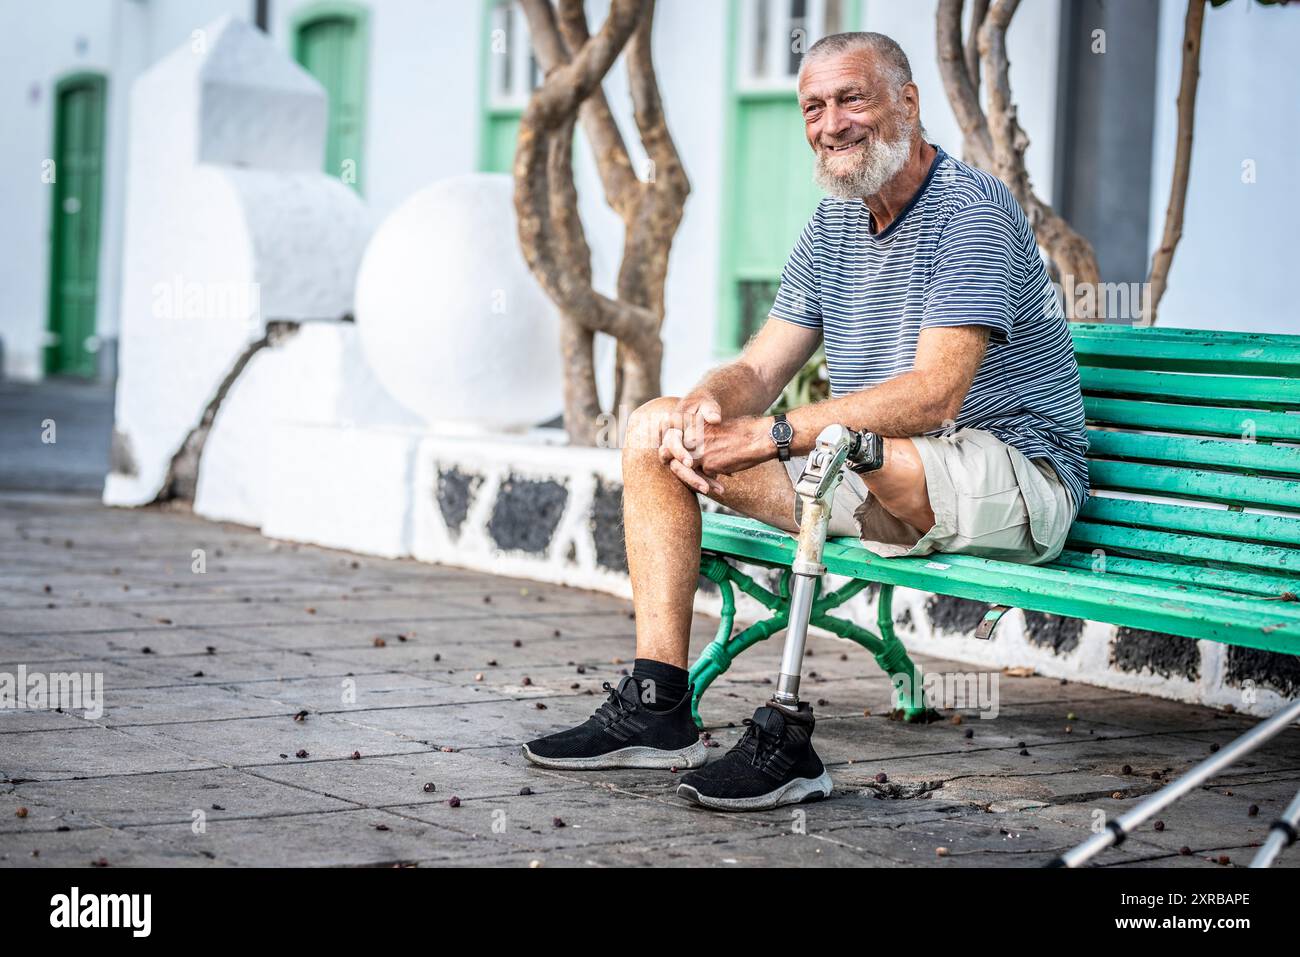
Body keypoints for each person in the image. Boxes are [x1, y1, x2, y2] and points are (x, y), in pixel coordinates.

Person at [523, 31, 1089, 812]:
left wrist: (774, 434)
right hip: (875, 469)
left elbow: (935, 397)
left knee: (845, 450)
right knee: (655, 429)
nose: (832, 123)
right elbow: (758, 370)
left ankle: (787, 739)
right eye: (814, 107)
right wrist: (706, 408)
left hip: (1013, 475)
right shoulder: (835, 224)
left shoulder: (973, 209)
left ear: (908, 102)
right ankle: (657, 705)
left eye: (852, 98)